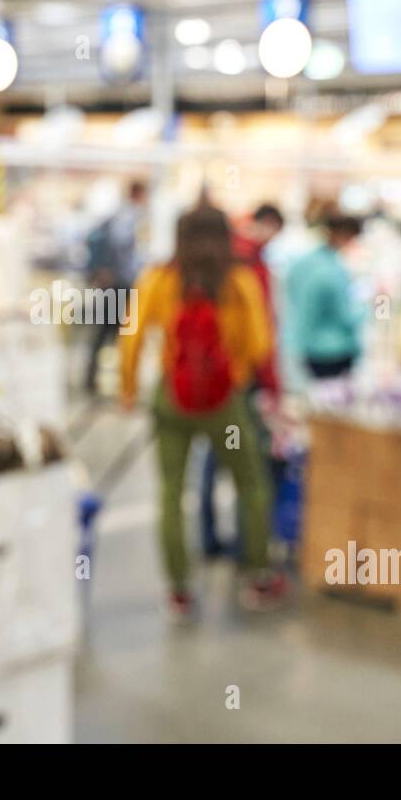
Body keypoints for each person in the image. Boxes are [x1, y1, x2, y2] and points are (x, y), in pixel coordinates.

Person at [119, 203, 284, 619]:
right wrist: (239, 374)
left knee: (172, 492)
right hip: (224, 401)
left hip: (170, 398)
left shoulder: (159, 278)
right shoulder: (239, 280)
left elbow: (132, 336)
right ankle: (257, 575)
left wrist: (127, 388)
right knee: (251, 483)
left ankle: (179, 590)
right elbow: (260, 344)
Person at [199, 203, 284, 556]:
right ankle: (250, 553)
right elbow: (260, 336)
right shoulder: (251, 268)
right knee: (247, 469)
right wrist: (271, 386)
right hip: (238, 383)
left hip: (198, 380)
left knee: (210, 460)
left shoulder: (195, 265)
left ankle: (208, 537)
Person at [84, 179, 148, 394]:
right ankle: (110, 382)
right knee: (116, 335)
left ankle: (106, 381)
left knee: (110, 335)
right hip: (120, 285)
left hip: (118, 284)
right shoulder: (127, 217)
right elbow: (121, 248)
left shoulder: (121, 215)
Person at [285, 214, 364, 379]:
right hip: (333, 352)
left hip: (305, 346)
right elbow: (346, 317)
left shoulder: (302, 263)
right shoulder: (332, 272)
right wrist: (380, 304)